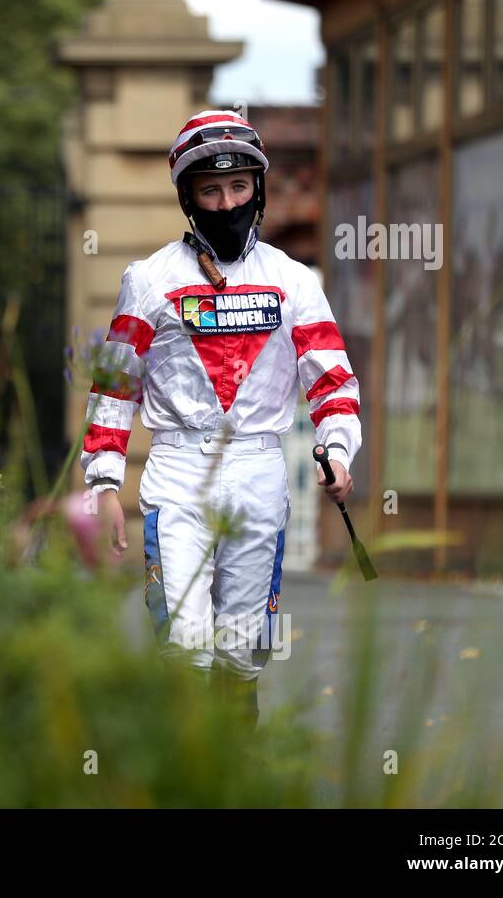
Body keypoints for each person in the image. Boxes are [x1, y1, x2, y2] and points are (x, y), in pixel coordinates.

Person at [80, 110, 362, 727]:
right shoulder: (147, 280)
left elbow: (333, 380)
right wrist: (102, 486)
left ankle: (235, 774)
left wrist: (338, 450)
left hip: (260, 470)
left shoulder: (295, 281)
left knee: (241, 651)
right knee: (184, 644)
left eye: (238, 188)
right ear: (188, 197)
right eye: (210, 190)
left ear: (257, 189)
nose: (226, 201)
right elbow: (113, 387)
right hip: (178, 469)